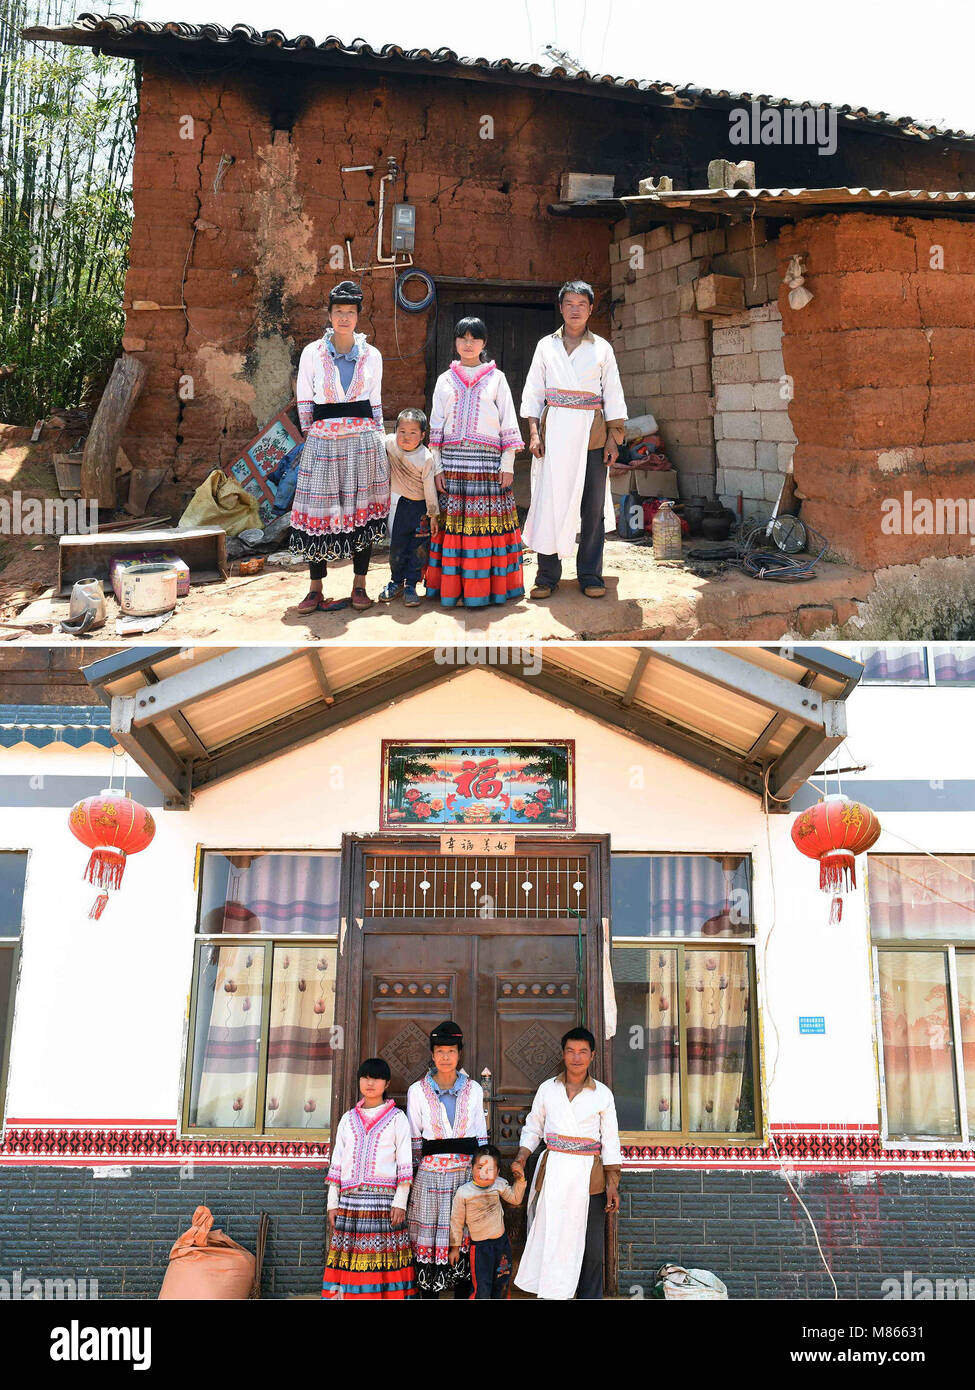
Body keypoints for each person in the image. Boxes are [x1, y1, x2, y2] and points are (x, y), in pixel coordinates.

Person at [521, 280, 628, 601]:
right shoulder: (546, 346)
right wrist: (534, 432)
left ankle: (591, 574)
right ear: (561, 307)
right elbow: (533, 392)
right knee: (549, 503)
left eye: (582, 303)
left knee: (592, 508)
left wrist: (614, 438)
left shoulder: (602, 349)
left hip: (592, 436)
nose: (575, 309)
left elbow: (614, 395)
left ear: (591, 308)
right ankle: (547, 575)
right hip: (554, 435)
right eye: (569, 303)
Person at [289, 280, 389, 613]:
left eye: (350, 312)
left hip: (362, 444)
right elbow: (305, 397)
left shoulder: (371, 355)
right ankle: (315, 588)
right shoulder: (312, 353)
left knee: (361, 515)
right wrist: (314, 437)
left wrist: (375, 438)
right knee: (317, 516)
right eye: (338, 312)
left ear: (358, 316)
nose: (344, 318)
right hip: (323, 445)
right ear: (329, 316)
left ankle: (359, 585)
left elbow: (374, 401)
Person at [512, 1025, 621, 1300]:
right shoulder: (548, 1089)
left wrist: (613, 1184)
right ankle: (552, 1294)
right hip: (554, 1173)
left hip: (589, 1178)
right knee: (551, 1237)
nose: (576, 1057)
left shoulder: (602, 1094)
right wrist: (522, 1157)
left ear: (592, 1056)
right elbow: (533, 1128)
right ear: (563, 1054)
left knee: (591, 1247)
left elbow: (610, 1140)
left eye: (583, 1052)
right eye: (571, 1051)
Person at [425, 316, 525, 608]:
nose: (468, 344)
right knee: (454, 528)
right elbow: (436, 426)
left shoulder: (497, 378)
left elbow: (508, 420)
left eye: (474, 338)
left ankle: (490, 591)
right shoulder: (445, 380)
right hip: (453, 467)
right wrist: (438, 466)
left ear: (484, 343)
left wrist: (507, 463)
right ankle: (452, 590)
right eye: (462, 338)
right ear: (455, 342)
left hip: (487, 467)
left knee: (486, 528)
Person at [406, 1019, 488, 1297]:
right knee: (431, 1245)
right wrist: (414, 1179)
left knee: (463, 1238)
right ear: (432, 1054)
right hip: (430, 1180)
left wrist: (482, 1179)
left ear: (459, 1054)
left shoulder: (474, 1090)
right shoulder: (417, 1091)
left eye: (451, 1051)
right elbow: (415, 1139)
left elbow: (481, 1137)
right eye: (440, 1051)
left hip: (465, 1178)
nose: (445, 1057)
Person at [322, 1058, 415, 1300]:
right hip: (350, 1205)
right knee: (351, 1263)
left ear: (387, 1083)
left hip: (383, 1206)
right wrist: (333, 1203)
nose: (369, 1082)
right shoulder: (348, 1119)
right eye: (365, 1077)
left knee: (382, 1265)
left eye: (376, 1078)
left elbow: (405, 1163)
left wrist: (400, 1202)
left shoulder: (397, 1119)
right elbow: (337, 1163)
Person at [380, 408, 445, 607]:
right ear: (395, 431)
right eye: (402, 431)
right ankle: (396, 581)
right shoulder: (390, 444)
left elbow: (429, 488)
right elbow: (376, 438)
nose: (406, 437)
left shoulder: (425, 458)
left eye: (413, 433)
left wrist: (433, 515)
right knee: (397, 547)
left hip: (421, 511)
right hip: (399, 506)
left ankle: (411, 585)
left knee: (418, 550)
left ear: (423, 435)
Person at [449, 1143, 526, 1299]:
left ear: (497, 1172)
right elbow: (456, 1221)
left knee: (502, 1285)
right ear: (472, 1168)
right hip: (480, 1249)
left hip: (502, 1245)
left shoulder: (499, 1185)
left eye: (490, 1169)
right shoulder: (464, 1192)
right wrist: (455, 1248)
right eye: (480, 1167)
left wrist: (520, 1181)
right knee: (482, 1289)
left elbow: (516, 1199)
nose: (484, 1173)